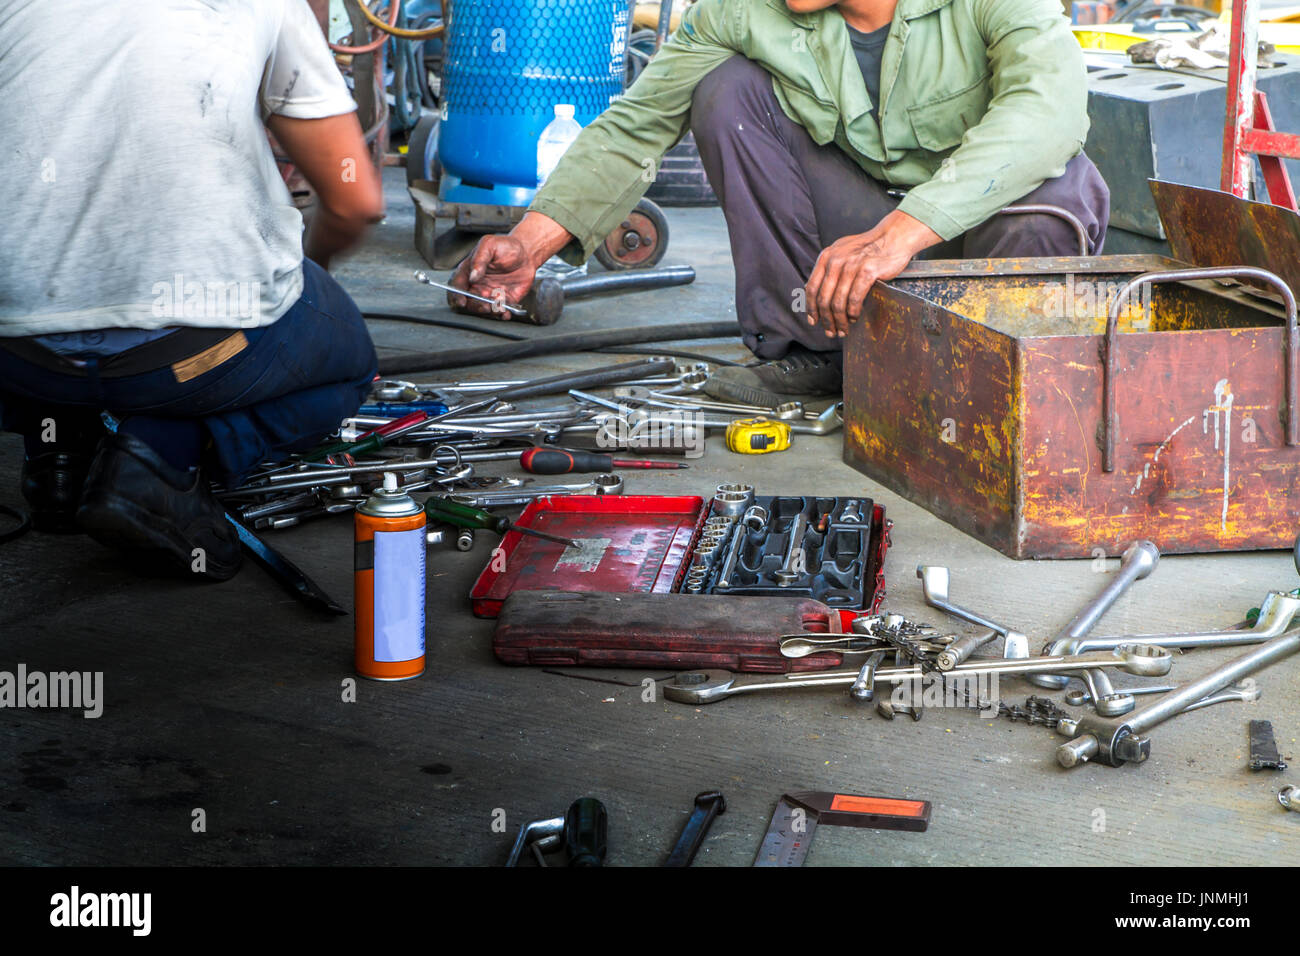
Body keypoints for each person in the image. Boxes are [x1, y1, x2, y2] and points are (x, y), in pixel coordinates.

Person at [449, 0, 1108, 404]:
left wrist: (905, 231)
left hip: (975, 234)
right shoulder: (743, 9)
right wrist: (530, 242)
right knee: (727, 90)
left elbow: (1046, 111)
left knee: (1055, 187)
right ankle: (814, 351)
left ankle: (1003, 386)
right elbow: (637, 123)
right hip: (859, 228)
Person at [0, 0, 385, 581]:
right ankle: (157, 454)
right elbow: (355, 202)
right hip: (192, 360)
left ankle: (57, 458)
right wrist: (308, 276)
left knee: (53, 294)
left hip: (18, 359)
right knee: (351, 365)